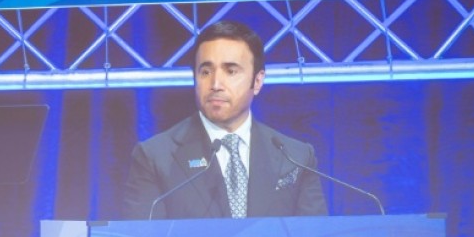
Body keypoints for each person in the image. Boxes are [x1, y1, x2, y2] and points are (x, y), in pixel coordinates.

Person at [124, 20, 327, 220]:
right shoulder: (155, 158)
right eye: (205, 72)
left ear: (257, 81)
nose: (215, 84)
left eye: (231, 71)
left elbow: (315, 236)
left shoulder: (296, 158)